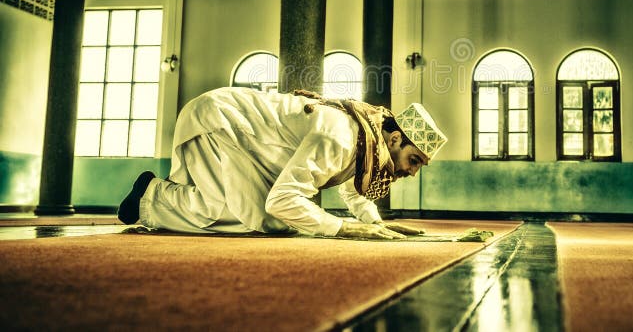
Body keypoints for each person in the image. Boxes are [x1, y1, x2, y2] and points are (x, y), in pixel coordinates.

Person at [117, 87, 447, 240]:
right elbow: (283, 199)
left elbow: (351, 190)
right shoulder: (343, 138)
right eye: (414, 160)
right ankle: (151, 196)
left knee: (230, 209)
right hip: (222, 120)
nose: (412, 171)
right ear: (394, 140)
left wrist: (375, 224)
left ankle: (151, 195)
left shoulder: (364, 140)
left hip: (239, 134)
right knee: (261, 217)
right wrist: (343, 227)